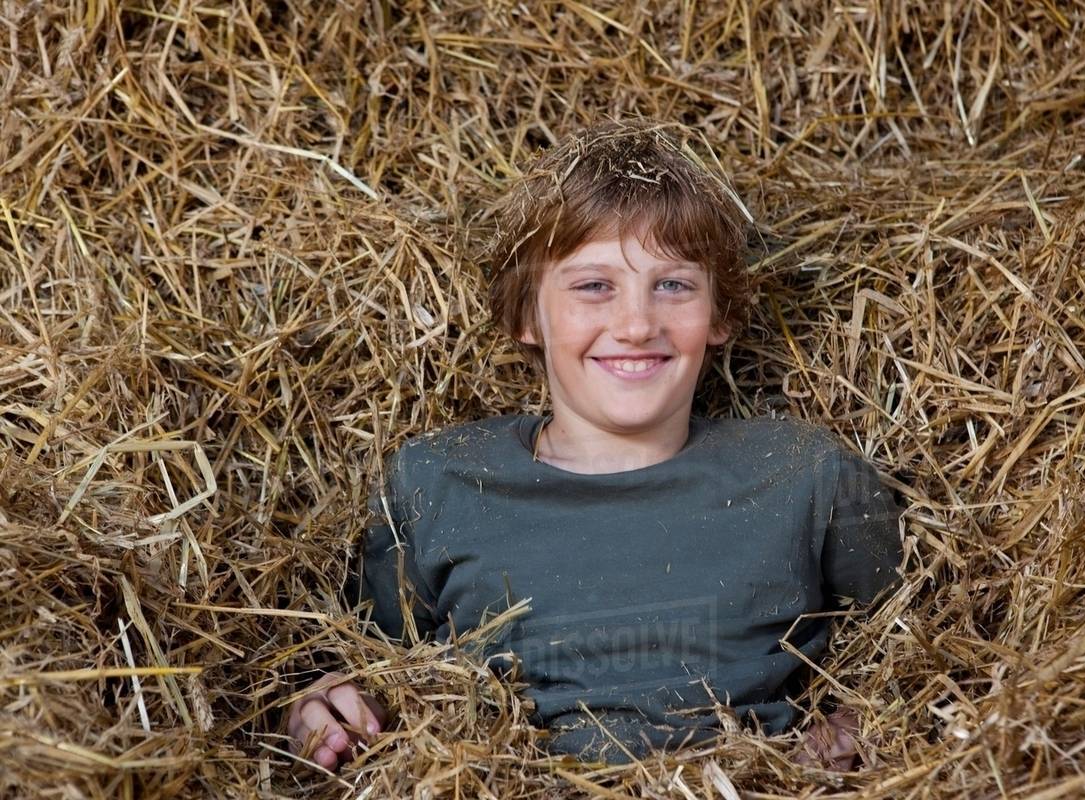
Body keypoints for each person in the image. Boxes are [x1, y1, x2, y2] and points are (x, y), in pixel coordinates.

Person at [286, 119, 903, 771]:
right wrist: (321, 706)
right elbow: (360, 673)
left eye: (674, 284)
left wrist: (856, 723)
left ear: (718, 316)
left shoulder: (801, 476)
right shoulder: (436, 483)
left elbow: (914, 652)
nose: (637, 324)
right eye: (592, 286)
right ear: (527, 314)